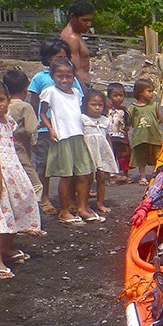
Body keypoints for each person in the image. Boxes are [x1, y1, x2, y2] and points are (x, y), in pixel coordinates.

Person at [0, 82, 40, 278]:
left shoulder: (8, 120)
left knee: (21, 203)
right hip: (1, 171)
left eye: (1, 99)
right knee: (2, 213)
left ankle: (6, 248)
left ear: (8, 99)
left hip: (14, 168)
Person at [39, 58, 100, 226]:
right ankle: (64, 211)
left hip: (78, 136)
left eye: (68, 76)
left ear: (73, 76)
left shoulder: (76, 92)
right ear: (52, 76)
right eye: (60, 76)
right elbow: (43, 113)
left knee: (84, 174)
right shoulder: (50, 91)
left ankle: (82, 208)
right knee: (65, 176)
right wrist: (50, 129)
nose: (64, 80)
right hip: (62, 137)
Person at [29, 38, 84, 214]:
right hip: (47, 129)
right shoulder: (41, 78)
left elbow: (77, 103)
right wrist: (34, 126)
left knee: (70, 166)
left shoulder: (71, 78)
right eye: (56, 57)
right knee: (45, 164)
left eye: (64, 56)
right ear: (47, 58)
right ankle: (45, 198)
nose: (61, 60)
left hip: (69, 131)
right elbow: (34, 103)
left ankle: (70, 199)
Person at [4, 70, 43, 202]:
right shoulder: (25, 107)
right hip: (20, 150)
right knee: (35, 184)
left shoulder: (2, 106)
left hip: (4, 151)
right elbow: (32, 129)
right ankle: (33, 208)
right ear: (25, 90)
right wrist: (36, 146)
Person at [81, 89, 119, 213]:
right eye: (93, 104)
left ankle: (100, 203)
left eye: (100, 105)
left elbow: (107, 138)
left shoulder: (105, 121)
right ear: (86, 104)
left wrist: (111, 155)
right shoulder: (83, 119)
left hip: (101, 153)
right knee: (87, 179)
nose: (97, 107)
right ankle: (83, 204)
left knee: (102, 178)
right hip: (87, 152)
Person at [127, 78, 163, 184]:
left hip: (154, 136)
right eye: (149, 91)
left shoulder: (154, 105)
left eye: (152, 91)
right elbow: (129, 120)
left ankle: (157, 174)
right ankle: (142, 177)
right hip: (140, 137)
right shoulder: (133, 107)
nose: (152, 94)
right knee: (140, 157)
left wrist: (153, 124)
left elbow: (160, 118)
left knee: (157, 155)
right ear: (140, 92)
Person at [61, 0, 94, 89]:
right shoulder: (71, 38)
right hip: (80, 86)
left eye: (90, 20)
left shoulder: (77, 34)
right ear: (73, 17)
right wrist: (85, 93)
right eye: (84, 20)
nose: (88, 24)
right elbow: (75, 70)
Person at [106, 83, 131, 183]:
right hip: (109, 137)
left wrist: (126, 131)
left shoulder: (124, 110)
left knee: (124, 156)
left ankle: (124, 175)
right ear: (109, 96)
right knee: (110, 156)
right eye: (115, 96)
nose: (118, 98)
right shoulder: (106, 109)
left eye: (121, 95)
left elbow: (128, 121)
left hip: (121, 136)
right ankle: (111, 177)